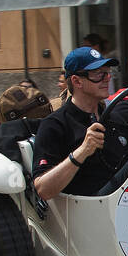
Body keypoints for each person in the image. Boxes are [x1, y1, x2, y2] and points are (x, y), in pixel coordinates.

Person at [31, 47, 114, 201]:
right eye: (98, 74)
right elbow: (42, 189)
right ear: (77, 81)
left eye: (107, 72)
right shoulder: (54, 125)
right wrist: (82, 151)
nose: (107, 78)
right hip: (87, 206)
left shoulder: (111, 117)